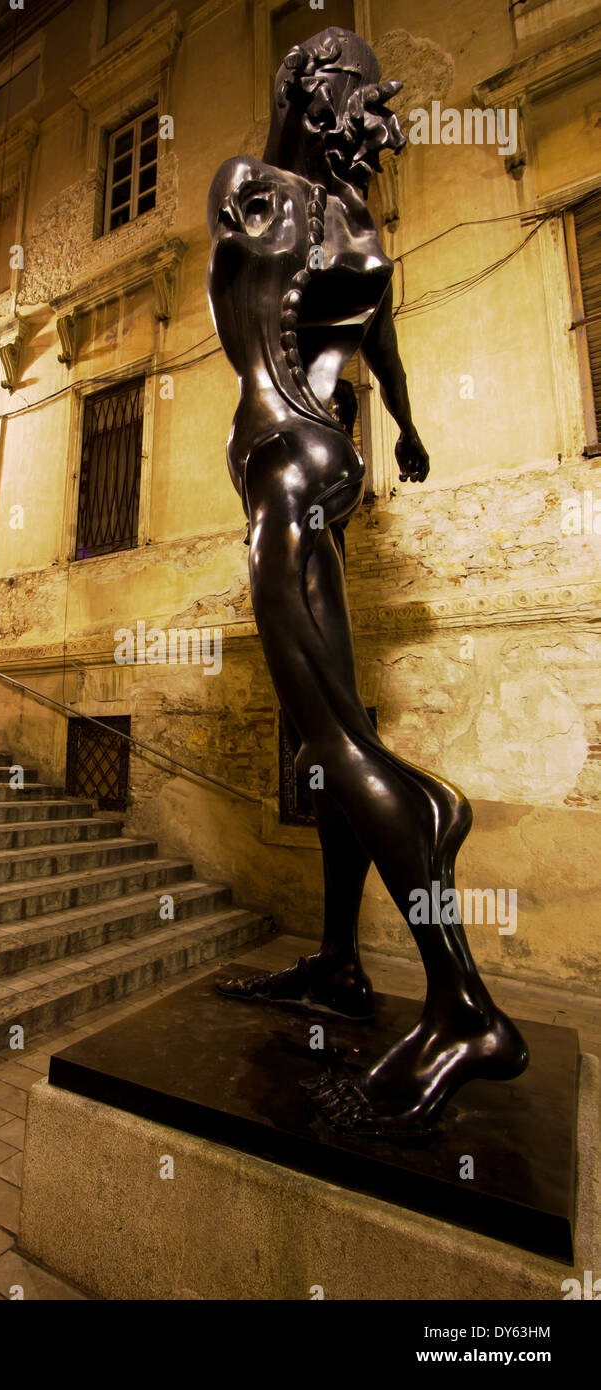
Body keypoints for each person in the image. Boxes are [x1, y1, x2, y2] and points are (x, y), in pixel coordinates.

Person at [207, 28, 528, 1136]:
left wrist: (300, 114)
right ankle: (344, 963)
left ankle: (461, 1003)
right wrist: (409, 436)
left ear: (296, 90)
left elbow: (247, 275)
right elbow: (382, 353)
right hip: (333, 466)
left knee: (338, 740)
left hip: (280, 466)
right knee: (322, 735)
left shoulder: (254, 188)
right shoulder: (363, 230)